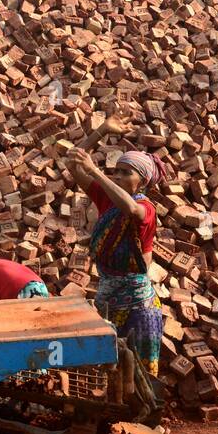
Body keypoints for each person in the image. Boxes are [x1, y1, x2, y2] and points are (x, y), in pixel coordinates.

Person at [66, 141, 170, 377]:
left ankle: (143, 411)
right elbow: (71, 164)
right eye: (117, 171)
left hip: (137, 304)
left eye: (126, 172)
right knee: (107, 365)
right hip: (108, 298)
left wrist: (95, 171)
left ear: (142, 181)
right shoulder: (107, 201)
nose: (119, 176)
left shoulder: (146, 207)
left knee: (139, 372)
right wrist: (100, 131)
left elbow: (132, 210)